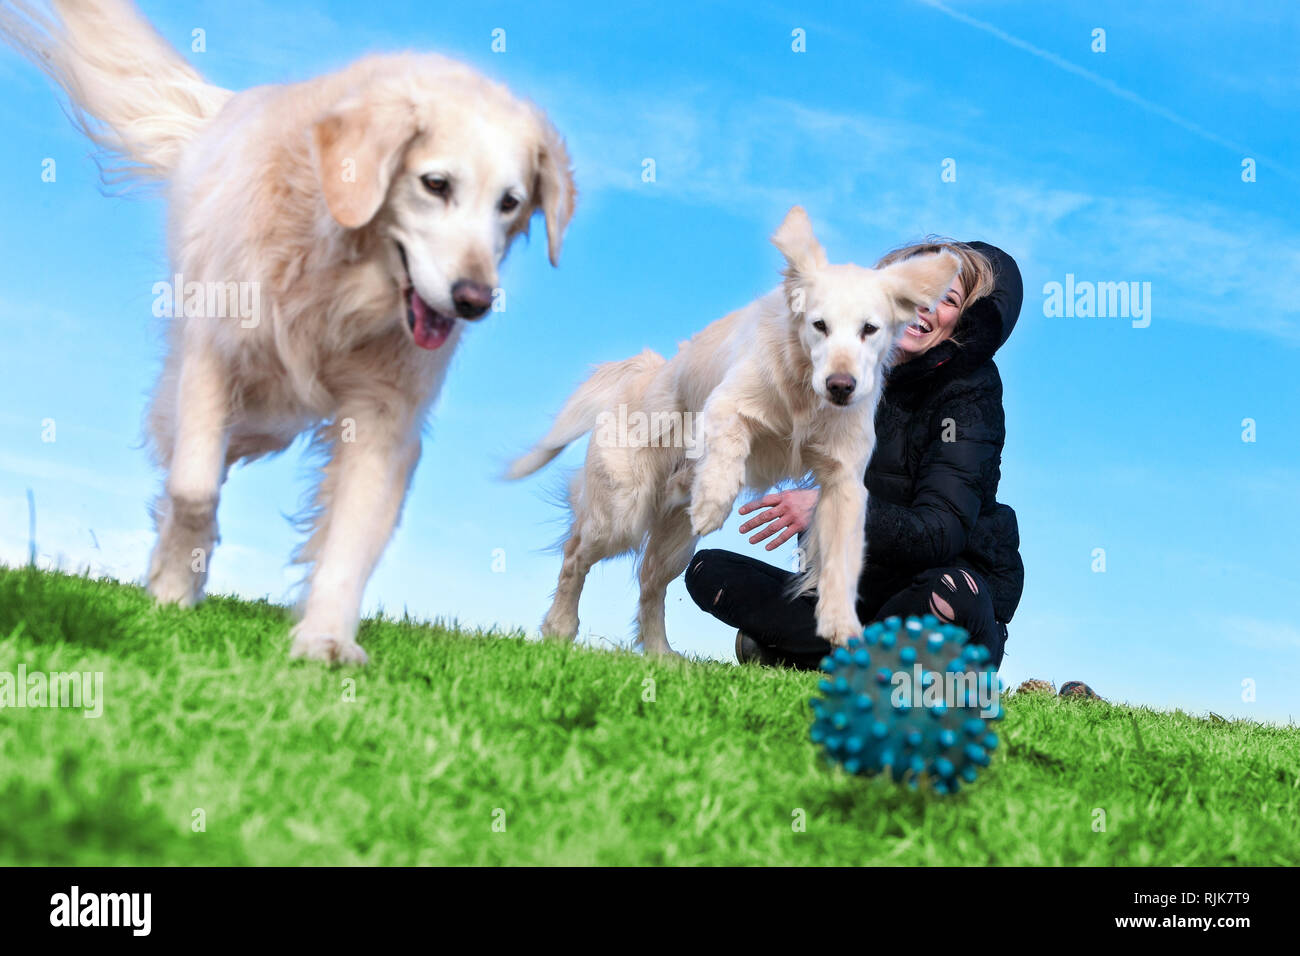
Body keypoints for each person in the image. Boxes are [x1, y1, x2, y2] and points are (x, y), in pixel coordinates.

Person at [684, 239, 1024, 670]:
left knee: (944, 593)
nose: (925, 307)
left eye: (948, 300)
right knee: (706, 570)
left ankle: (811, 652)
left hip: (944, 584)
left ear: (964, 320)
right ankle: (857, 654)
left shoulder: (970, 393)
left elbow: (941, 531)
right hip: (857, 591)